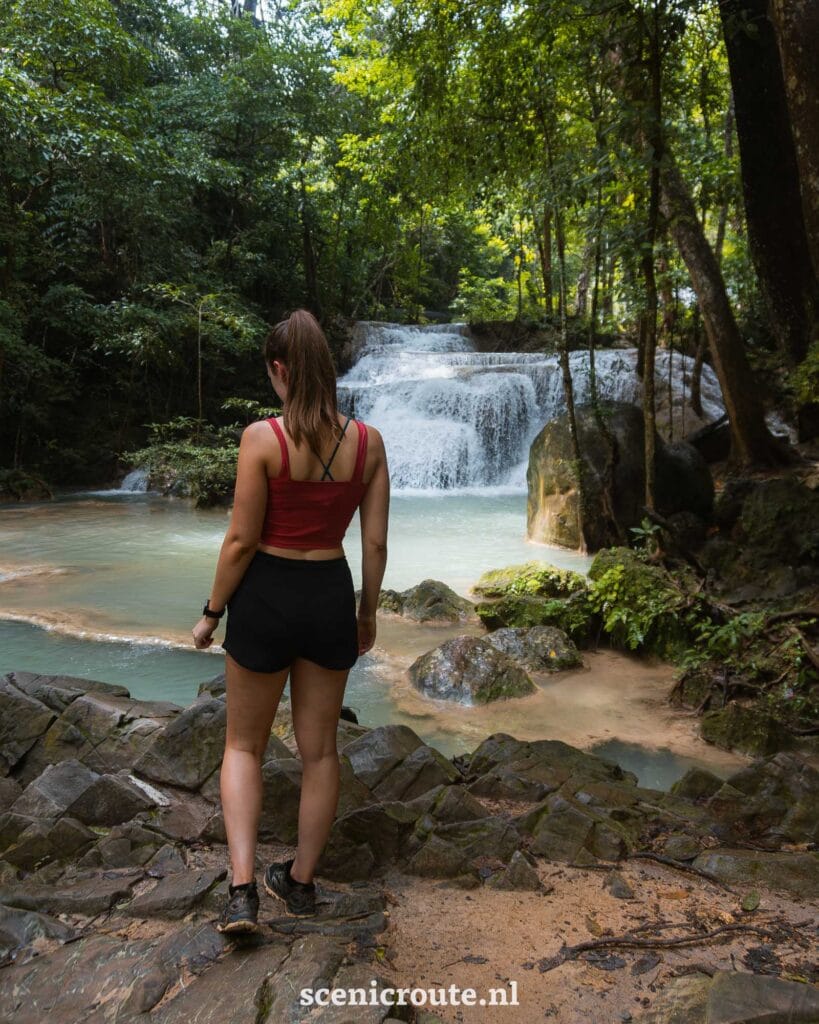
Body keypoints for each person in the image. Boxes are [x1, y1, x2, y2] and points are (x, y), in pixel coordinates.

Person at [191, 308, 389, 934]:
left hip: (268, 595)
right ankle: (300, 883)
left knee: (243, 745)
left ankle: (243, 890)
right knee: (320, 752)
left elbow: (241, 540)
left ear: (280, 371)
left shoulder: (262, 439)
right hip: (330, 593)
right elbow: (376, 546)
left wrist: (210, 613)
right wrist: (366, 614)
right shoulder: (369, 442)